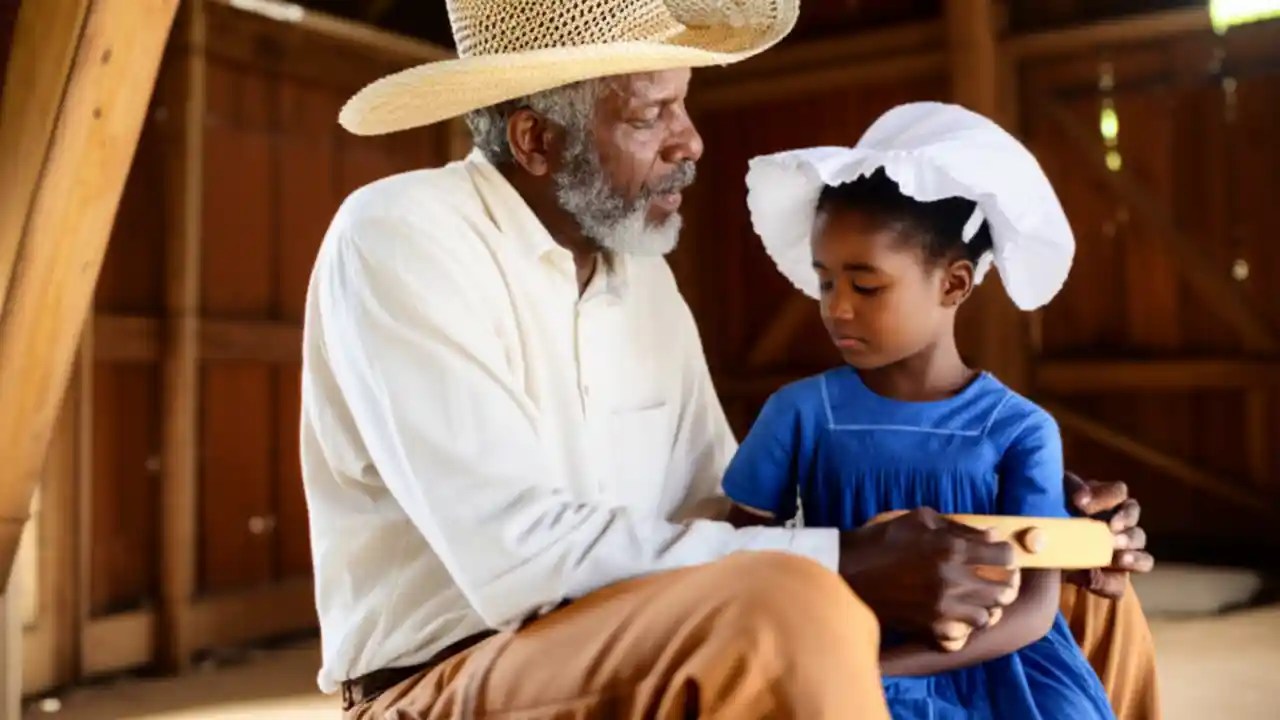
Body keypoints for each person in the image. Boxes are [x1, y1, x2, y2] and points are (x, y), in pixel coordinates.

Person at [301, 1, 1158, 717]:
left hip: (649, 622)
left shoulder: (639, 279)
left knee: (1055, 584)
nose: (691, 142)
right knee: (788, 605)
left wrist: (1013, 511)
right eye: (648, 116)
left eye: (683, 105)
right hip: (451, 674)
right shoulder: (401, 236)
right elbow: (519, 563)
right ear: (534, 141)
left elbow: (726, 514)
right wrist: (850, 566)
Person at [724, 102, 1116, 719]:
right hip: (838, 638)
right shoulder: (798, 412)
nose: (836, 308)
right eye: (826, 281)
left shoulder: (1021, 431)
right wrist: (840, 652)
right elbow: (740, 553)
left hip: (1000, 669)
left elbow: (1034, 611)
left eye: (867, 285)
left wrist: (880, 668)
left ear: (954, 285)